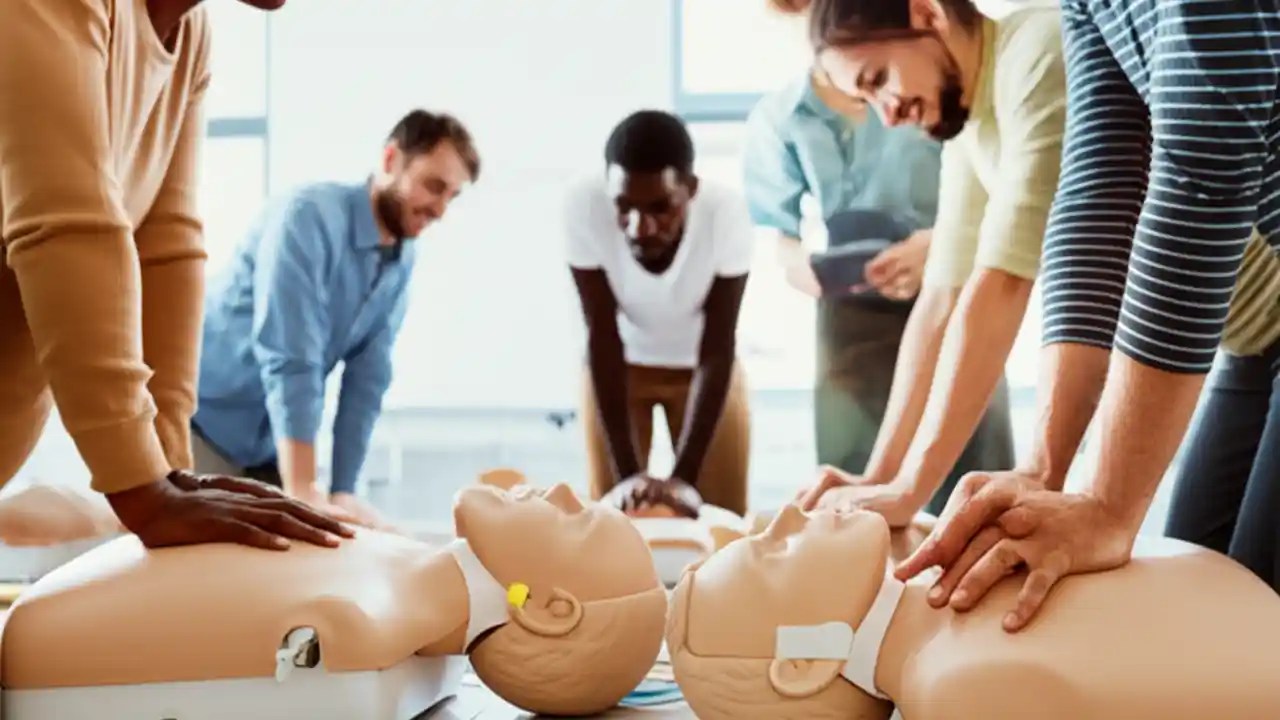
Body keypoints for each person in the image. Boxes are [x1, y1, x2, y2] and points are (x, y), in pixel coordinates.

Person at [897, 0, 1280, 627]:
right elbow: (1098, 191)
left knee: (1253, 626)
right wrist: (1042, 471)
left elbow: (1198, 179)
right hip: (1257, 346)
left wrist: (1108, 505)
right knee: (1190, 597)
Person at [0, 0, 350, 550]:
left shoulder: (187, 35)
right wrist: (141, 489)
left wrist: (169, 468)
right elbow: (66, 225)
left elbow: (167, 245)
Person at [792, 0, 1063, 527]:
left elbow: (1004, 283)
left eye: (878, 80)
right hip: (1231, 343)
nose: (887, 116)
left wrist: (910, 492)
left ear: (927, 13)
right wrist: (879, 478)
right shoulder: (967, 122)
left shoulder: (1035, 55)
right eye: (865, 99)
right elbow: (941, 300)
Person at [743, 60, 1013, 517]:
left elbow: (996, 190)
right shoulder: (782, 115)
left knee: (972, 467)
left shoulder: (926, 82)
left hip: (951, 287)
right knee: (853, 479)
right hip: (849, 311)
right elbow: (779, 232)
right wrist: (802, 268)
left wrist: (934, 247)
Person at [192, 110, 480, 528]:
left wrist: (344, 492)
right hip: (201, 422)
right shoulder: (307, 218)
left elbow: (368, 380)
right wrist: (304, 488)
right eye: (433, 186)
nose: (440, 209)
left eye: (452, 196)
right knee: (190, 576)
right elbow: (291, 355)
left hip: (267, 448)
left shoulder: (400, 260)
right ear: (390, 160)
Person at [566, 110, 755, 517]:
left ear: (690, 189)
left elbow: (719, 343)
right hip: (619, 366)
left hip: (705, 368)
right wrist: (630, 479)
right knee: (612, 515)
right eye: (624, 207)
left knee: (720, 518)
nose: (639, 226)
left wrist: (683, 479)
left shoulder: (727, 214)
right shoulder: (583, 205)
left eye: (660, 208)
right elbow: (601, 335)